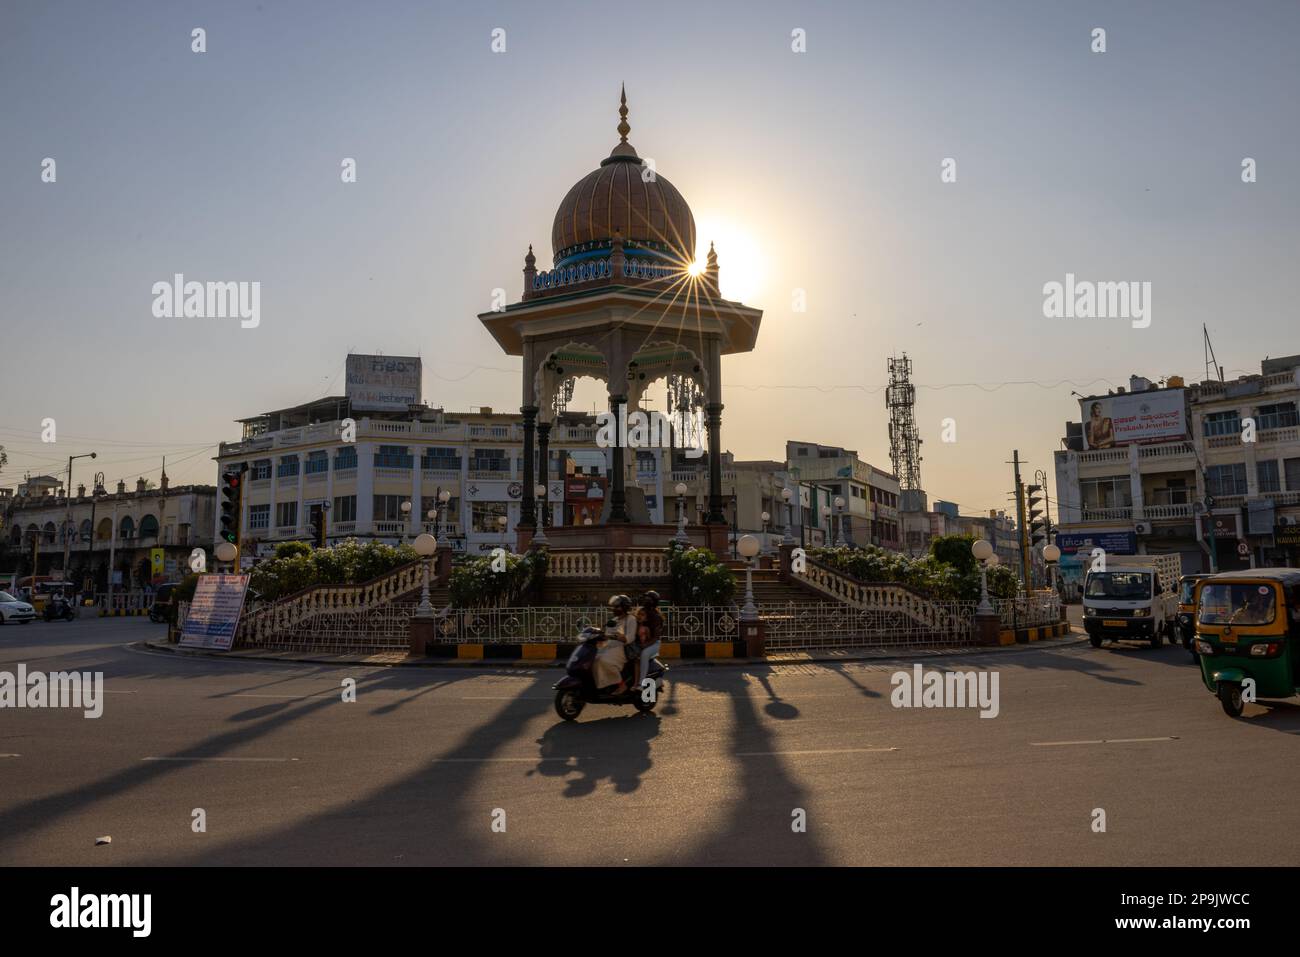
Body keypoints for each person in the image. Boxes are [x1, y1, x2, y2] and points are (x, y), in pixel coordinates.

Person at [593, 594, 636, 693]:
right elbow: (606, 634)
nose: (614, 609)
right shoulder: (613, 620)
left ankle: (621, 685)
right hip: (610, 646)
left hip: (622, 648)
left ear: (624, 607)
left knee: (604, 661)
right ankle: (602, 685)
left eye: (617, 607)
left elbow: (631, 637)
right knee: (594, 658)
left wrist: (621, 637)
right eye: (614, 606)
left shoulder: (631, 619)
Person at [633, 591, 663, 692]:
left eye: (648, 599)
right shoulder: (641, 612)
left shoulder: (656, 617)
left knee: (644, 654)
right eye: (645, 599)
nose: (645, 601)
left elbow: (655, 637)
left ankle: (641, 683)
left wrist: (645, 645)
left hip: (653, 644)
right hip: (642, 642)